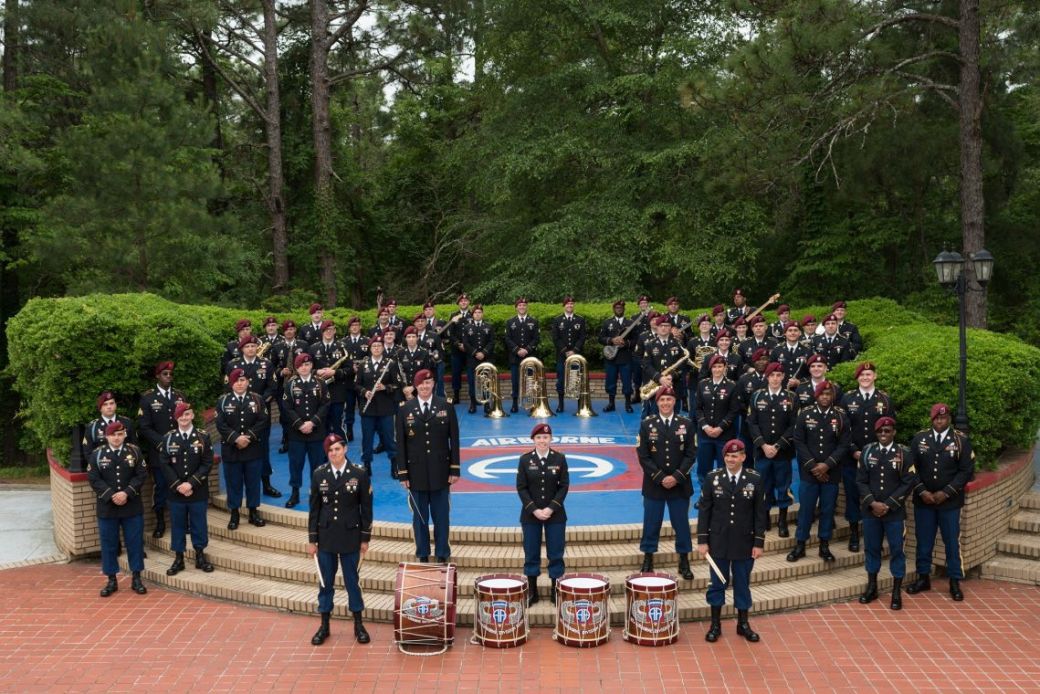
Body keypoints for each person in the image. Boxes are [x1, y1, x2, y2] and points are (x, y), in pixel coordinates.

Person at [697, 440, 767, 643]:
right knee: (717, 584)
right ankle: (715, 624)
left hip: (744, 542)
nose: (730, 459)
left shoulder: (755, 479)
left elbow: (759, 514)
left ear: (743, 457)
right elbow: (704, 511)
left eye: (735, 456)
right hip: (717, 542)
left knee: (742, 584)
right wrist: (703, 540)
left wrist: (758, 543)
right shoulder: (713, 478)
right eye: (727, 456)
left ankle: (743, 624)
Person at [307, 434, 372, 645]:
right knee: (325, 583)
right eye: (330, 450)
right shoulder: (319, 474)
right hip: (326, 537)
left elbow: (366, 509)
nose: (334, 453)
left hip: (350, 536)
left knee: (352, 582)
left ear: (344, 449)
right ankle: (324, 625)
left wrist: (365, 538)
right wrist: (312, 539)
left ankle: (358, 624)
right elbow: (314, 509)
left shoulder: (359, 473)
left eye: (337, 448)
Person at [906, 403, 974, 602]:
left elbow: (966, 472)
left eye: (943, 418)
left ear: (949, 419)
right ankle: (923, 577)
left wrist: (946, 492)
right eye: (936, 418)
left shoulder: (960, 441)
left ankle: (954, 581)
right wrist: (922, 491)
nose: (940, 421)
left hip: (949, 503)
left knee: (951, 542)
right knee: (924, 541)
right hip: (924, 501)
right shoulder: (920, 439)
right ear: (931, 419)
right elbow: (911, 469)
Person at [396, 369, 460, 563]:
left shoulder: (445, 406)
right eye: (421, 384)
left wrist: (454, 468)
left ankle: (442, 553)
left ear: (433, 384)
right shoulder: (405, 408)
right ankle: (422, 554)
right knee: (420, 518)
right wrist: (403, 474)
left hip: (441, 472)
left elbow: (454, 440)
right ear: (415, 386)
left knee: (442, 517)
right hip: (415, 473)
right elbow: (400, 443)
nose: (425, 386)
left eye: (428, 382)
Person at [857, 416, 917, 610]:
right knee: (872, 549)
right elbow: (860, 481)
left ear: (894, 432)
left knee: (897, 550)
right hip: (870, 511)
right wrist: (873, 503)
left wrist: (888, 504)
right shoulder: (867, 452)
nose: (884, 434)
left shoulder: (903, 454)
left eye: (887, 431)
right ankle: (872, 587)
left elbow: (908, 482)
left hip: (894, 513)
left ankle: (897, 591)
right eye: (880, 432)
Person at [636, 386, 696, 580]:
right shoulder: (647, 424)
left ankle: (684, 560)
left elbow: (691, 454)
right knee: (651, 524)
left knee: (681, 524)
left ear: (675, 402)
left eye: (669, 399)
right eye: (662, 400)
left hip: (680, 485)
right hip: (654, 485)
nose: (666, 403)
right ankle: (648, 558)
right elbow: (643, 456)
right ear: (657, 402)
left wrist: (676, 477)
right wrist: (661, 477)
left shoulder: (686, 423)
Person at [788, 381, 849, 563]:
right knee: (806, 509)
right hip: (809, 472)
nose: (825, 397)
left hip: (831, 473)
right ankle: (800, 545)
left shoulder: (840, 416)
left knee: (827, 510)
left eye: (828, 394)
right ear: (816, 395)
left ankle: (824, 545)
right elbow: (799, 441)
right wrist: (814, 466)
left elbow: (844, 444)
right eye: (822, 394)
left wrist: (827, 465)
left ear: (833, 397)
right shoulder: (805, 414)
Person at [87, 421, 148, 597]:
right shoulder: (97, 454)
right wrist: (111, 495)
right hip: (108, 508)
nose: (116, 437)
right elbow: (93, 478)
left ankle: (136, 578)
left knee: (135, 543)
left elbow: (141, 474)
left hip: (132, 506)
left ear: (124, 435)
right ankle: (111, 580)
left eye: (120, 434)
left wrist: (127, 493)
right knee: (109, 544)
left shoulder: (134, 452)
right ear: (107, 436)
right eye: (113, 434)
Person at [840, 362, 895, 553]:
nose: (865, 378)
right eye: (862, 375)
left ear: (875, 376)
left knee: (876, 495)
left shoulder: (884, 399)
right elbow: (842, 428)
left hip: (878, 459)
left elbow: (889, 430)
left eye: (868, 374)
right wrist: (854, 450)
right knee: (853, 495)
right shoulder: (847, 398)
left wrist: (876, 451)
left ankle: (875, 539)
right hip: (851, 457)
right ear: (857, 378)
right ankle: (854, 534)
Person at [160, 402, 215, 576]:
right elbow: (164, 465)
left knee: (199, 524)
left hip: (197, 490)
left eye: (188, 414)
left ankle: (200, 556)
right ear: (176, 418)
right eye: (181, 415)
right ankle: (179, 559)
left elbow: (207, 463)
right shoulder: (168, 438)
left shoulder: (203, 436)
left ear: (192, 416)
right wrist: (178, 486)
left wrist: (191, 483)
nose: (184, 418)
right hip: (176, 493)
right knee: (177, 525)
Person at [517, 423, 569, 606]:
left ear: (551, 439)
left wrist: (550, 508)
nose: (542, 440)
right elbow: (521, 488)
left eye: (545, 437)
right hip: (531, 515)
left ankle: (556, 591)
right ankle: (533, 591)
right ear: (533, 440)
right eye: (538, 437)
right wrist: (534, 509)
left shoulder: (560, 459)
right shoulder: (524, 460)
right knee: (531, 553)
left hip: (555, 514)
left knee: (556, 552)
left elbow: (563, 487)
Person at [747, 362, 797, 537]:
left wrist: (777, 446)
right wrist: (763, 445)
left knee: (783, 486)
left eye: (778, 375)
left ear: (783, 377)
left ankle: (782, 521)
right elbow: (752, 423)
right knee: (763, 486)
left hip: (782, 452)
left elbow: (793, 425)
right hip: (762, 452)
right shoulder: (757, 396)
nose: (775, 378)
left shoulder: (791, 397)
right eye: (772, 375)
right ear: (767, 377)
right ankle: (765, 518)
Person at [137, 362, 186, 538]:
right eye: (165, 373)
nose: (168, 377)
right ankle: (160, 523)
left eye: (171, 374)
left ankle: (181, 522)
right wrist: (162, 443)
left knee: (180, 485)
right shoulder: (148, 398)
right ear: (157, 376)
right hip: (159, 453)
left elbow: (186, 420)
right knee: (161, 488)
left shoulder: (180, 396)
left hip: (180, 452)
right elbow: (144, 427)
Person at [216, 369, 270, 529]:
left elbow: (263, 420)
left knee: (253, 482)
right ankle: (234, 514)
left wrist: (248, 437)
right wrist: (236, 438)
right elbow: (220, 424)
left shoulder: (257, 399)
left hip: (253, 449)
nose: (240, 384)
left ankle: (253, 512)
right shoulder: (223, 401)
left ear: (248, 381)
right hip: (231, 450)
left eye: (243, 380)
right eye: (236, 381)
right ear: (231, 383)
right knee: (233, 483)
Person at [282, 354, 331, 508]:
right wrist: (300, 424)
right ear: (297, 368)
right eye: (301, 365)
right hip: (297, 433)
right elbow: (287, 407)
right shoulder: (290, 385)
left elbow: (326, 404)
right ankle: (295, 493)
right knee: (296, 464)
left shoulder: (320, 383)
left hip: (317, 432)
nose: (305, 367)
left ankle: (316, 493)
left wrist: (313, 422)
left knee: (317, 465)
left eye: (308, 364)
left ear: (311, 366)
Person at [355, 337, 401, 477]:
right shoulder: (364, 364)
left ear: (382, 348)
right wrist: (365, 392)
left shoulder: (390, 364)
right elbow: (356, 385)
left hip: (385, 408)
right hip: (368, 409)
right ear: (370, 348)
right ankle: (367, 464)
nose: (376, 348)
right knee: (367, 439)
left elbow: (397, 384)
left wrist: (385, 387)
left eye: (379, 346)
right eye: (374, 346)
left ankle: (394, 465)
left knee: (389, 438)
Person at [694, 355, 740, 487]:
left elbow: (733, 411)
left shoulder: (732, 386)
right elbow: (697, 409)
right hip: (705, 435)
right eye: (714, 367)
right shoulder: (702, 384)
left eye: (720, 366)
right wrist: (705, 426)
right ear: (710, 368)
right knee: (703, 468)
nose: (717, 369)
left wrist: (720, 428)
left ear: (725, 368)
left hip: (724, 435)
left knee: (724, 467)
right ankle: (705, 494)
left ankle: (722, 497)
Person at [309, 320, 351, 440]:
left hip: (338, 393)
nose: (329, 332)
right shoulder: (313, 348)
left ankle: (341, 450)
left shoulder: (342, 347)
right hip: (319, 394)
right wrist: (316, 372)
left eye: (331, 329)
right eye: (326, 330)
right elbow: (304, 368)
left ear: (335, 331)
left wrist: (335, 372)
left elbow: (350, 370)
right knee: (321, 424)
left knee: (338, 425)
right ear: (322, 332)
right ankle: (323, 453)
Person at [272, 319, 309, 456]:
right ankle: (288, 441)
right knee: (286, 415)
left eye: (292, 329)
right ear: (284, 331)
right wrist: (281, 372)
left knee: (301, 412)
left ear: (295, 331)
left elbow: (310, 363)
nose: (289, 331)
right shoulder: (277, 346)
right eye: (287, 329)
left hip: (301, 384)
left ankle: (303, 440)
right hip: (284, 386)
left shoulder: (303, 345)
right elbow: (272, 367)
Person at [640, 315, 686, 418]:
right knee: (655, 417)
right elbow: (646, 365)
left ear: (670, 327)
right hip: (656, 386)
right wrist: (659, 378)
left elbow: (682, 365)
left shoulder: (678, 344)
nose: (664, 328)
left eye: (667, 325)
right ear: (657, 327)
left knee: (674, 418)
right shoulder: (650, 345)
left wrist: (672, 376)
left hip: (673, 386)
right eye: (661, 325)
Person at [550, 297, 587, 413]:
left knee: (577, 379)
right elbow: (555, 338)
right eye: (567, 304)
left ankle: (579, 404)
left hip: (576, 356)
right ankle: (561, 404)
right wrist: (566, 351)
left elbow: (583, 336)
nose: (570, 305)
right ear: (564, 306)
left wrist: (574, 350)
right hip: (562, 356)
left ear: (574, 305)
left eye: (571, 304)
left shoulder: (580, 319)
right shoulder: (557, 320)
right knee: (560, 380)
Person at [504, 297, 540, 414]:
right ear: (516, 307)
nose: (522, 307)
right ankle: (515, 404)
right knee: (515, 381)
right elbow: (507, 339)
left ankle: (529, 404)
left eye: (524, 305)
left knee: (529, 381)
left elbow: (536, 339)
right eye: (519, 305)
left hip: (529, 357)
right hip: (515, 357)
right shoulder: (510, 322)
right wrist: (517, 350)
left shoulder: (533, 321)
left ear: (526, 307)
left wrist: (527, 350)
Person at [598, 300, 635, 413]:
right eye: (617, 307)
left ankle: (628, 404)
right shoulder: (607, 323)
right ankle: (611, 403)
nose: (619, 309)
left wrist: (626, 343)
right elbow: (600, 338)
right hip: (611, 358)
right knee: (610, 381)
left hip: (626, 357)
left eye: (621, 307)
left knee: (627, 381)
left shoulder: (630, 323)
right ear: (613, 309)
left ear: (624, 309)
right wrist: (611, 340)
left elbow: (636, 340)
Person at [461, 304, 494, 414]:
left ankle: (486, 404)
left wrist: (484, 353)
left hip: (485, 359)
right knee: (471, 382)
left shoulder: (488, 326)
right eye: (475, 313)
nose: (477, 314)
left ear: (482, 314)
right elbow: (465, 343)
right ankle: (472, 404)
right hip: (472, 359)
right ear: (472, 315)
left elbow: (491, 342)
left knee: (486, 382)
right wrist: (475, 353)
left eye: (479, 312)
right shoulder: (467, 328)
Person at [769, 321, 811, 389]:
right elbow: (771, 371)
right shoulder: (776, 350)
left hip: (801, 389)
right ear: (785, 333)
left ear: (800, 333)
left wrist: (800, 382)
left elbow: (811, 373)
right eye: (790, 330)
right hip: (782, 388)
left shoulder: (807, 351)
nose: (793, 333)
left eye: (795, 330)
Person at [447, 294, 473, 404]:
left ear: (468, 303)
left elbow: (476, 333)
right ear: (458, 303)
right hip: (456, 350)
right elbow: (450, 333)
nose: (463, 303)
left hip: (470, 351)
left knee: (471, 373)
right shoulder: (453, 316)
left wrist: (467, 346)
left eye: (466, 301)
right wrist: (458, 344)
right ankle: (456, 396)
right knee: (456, 373)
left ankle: (473, 397)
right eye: (461, 301)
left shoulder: (473, 315)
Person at [629, 295, 653, 402]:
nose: (644, 304)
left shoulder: (653, 316)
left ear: (648, 304)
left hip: (651, 349)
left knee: (650, 372)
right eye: (641, 303)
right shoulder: (634, 318)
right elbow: (631, 334)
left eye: (645, 303)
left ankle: (651, 393)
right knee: (637, 373)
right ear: (639, 305)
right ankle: (637, 395)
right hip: (638, 350)